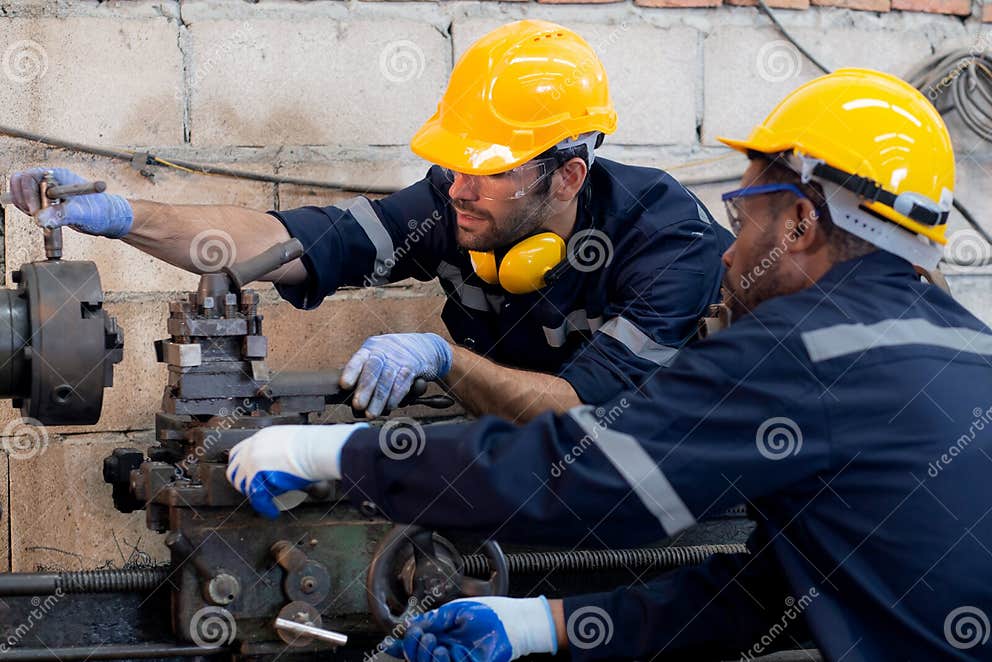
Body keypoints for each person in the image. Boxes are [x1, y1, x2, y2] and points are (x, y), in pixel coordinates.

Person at [226, 68, 992, 661]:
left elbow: (582, 471)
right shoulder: (967, 347)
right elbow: (774, 592)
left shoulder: (802, 351)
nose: (729, 250)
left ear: (800, 220)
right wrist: (541, 625)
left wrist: (333, 452)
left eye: (742, 216)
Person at [5, 20, 730, 421]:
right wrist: (125, 216)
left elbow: (575, 415)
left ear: (568, 175)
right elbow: (291, 245)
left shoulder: (669, 247)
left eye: (491, 169)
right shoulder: (458, 203)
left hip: (675, 494)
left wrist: (443, 359)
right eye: (456, 164)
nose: (460, 188)